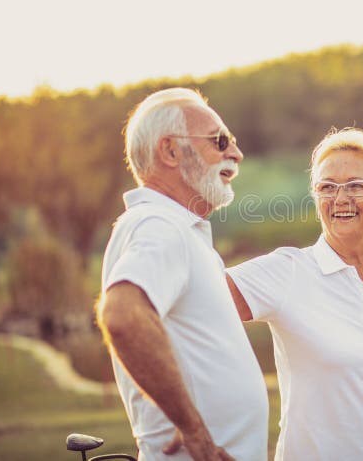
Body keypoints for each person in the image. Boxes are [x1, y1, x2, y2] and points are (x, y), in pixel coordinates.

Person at [225, 127, 363, 461]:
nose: (340, 199)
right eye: (327, 187)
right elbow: (194, 306)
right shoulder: (289, 271)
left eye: (355, 185)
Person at [97, 88, 268, 461]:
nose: (235, 154)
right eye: (220, 141)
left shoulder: (177, 229)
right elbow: (123, 315)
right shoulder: (161, 226)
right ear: (171, 151)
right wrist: (194, 430)